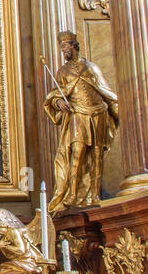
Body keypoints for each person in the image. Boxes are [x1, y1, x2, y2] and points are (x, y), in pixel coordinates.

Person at [44, 30, 118, 209]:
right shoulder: (62, 71)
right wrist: (58, 101)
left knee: (97, 154)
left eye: (65, 47)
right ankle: (72, 194)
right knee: (76, 153)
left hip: (98, 112)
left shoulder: (91, 67)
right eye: (61, 47)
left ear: (72, 45)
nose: (63, 51)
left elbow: (103, 88)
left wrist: (116, 109)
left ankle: (93, 194)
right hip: (77, 113)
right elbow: (55, 94)